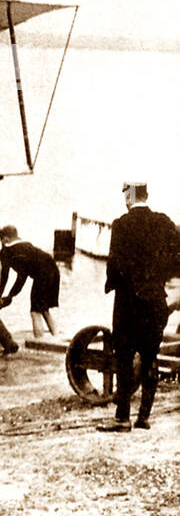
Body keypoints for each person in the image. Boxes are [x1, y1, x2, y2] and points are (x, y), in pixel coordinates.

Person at [102, 182, 180, 431]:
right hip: (156, 300)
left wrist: (113, 284)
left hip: (128, 303)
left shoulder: (121, 224)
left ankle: (122, 418)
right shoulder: (165, 222)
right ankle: (144, 417)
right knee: (150, 358)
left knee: (124, 358)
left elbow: (114, 263)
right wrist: (160, 279)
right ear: (146, 196)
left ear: (128, 197)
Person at [0, 225, 61, 338]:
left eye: (1, 240)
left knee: (35, 311)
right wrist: (11, 295)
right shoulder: (26, 245)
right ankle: (56, 337)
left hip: (42, 275)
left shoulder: (7, 251)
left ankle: (39, 341)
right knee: (44, 309)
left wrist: (3, 296)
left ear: (6, 239)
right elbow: (22, 275)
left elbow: (7, 276)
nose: (1, 243)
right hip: (54, 270)